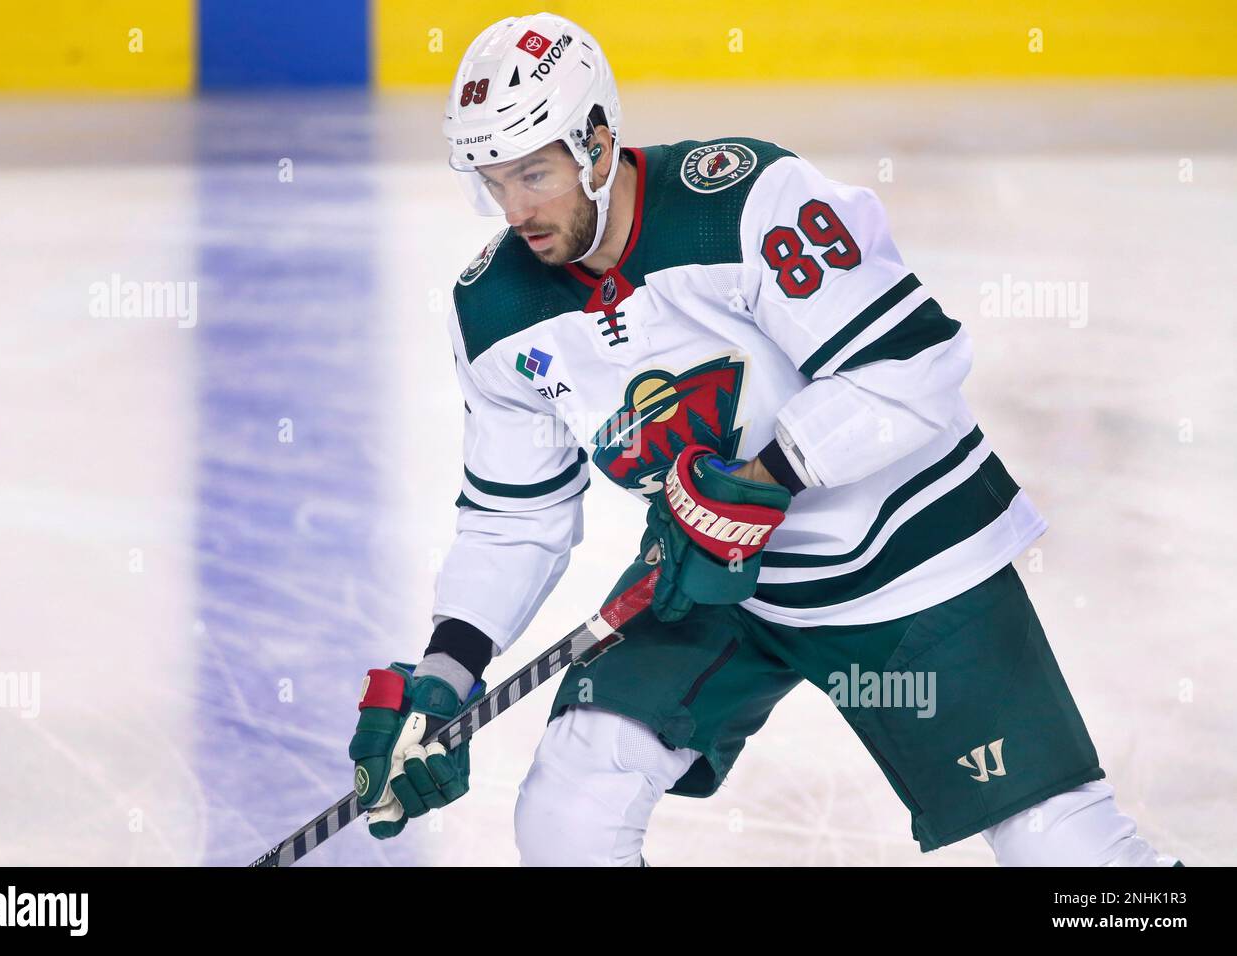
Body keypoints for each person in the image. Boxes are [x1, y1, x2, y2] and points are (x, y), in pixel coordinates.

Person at [347, 12, 1179, 867]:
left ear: (595, 145)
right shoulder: (493, 310)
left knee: (1063, 850)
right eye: (493, 181)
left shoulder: (743, 201)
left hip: (911, 559)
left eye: (534, 173)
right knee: (569, 809)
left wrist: (770, 471)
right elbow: (512, 518)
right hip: (712, 580)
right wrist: (445, 674)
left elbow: (912, 367)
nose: (516, 209)